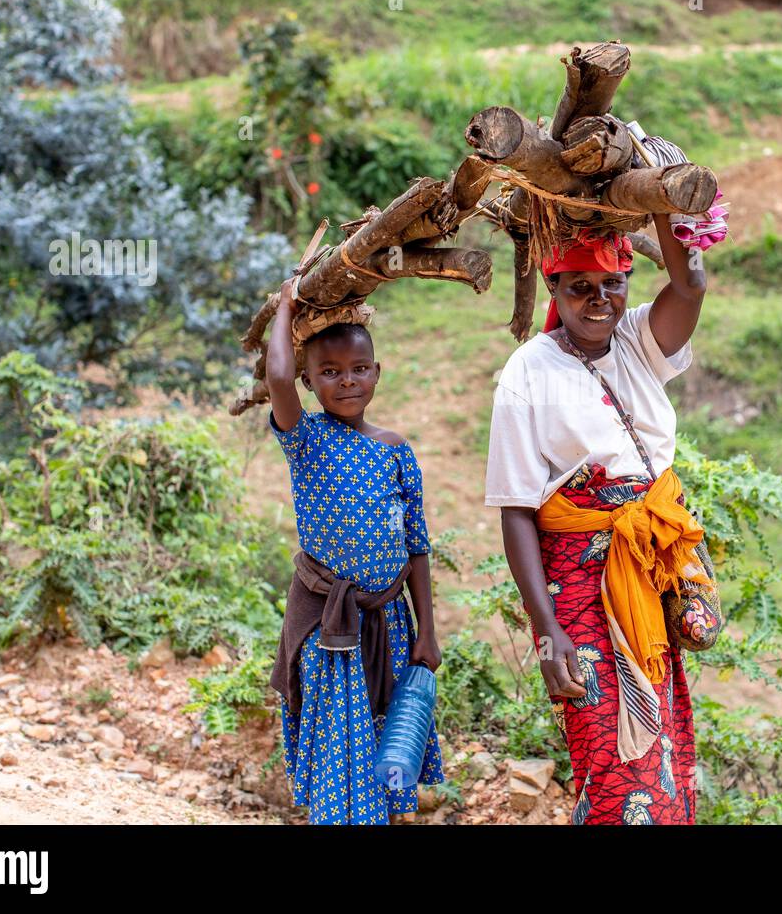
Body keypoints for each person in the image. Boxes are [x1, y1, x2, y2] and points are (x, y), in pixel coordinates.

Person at [484, 215, 710, 825]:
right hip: (577, 589)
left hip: (646, 574)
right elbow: (517, 509)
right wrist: (548, 627)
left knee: (660, 744)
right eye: (579, 285)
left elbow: (689, 287)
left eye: (612, 283)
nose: (598, 299)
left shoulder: (639, 342)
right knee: (609, 755)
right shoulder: (527, 372)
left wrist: (665, 207)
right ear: (554, 290)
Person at [265, 277, 443, 825]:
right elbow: (275, 374)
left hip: (389, 618)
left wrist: (427, 630)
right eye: (331, 372)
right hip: (328, 621)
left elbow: (416, 546)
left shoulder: (395, 450)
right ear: (311, 381)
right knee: (339, 744)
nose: (347, 381)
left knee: (388, 738)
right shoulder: (307, 439)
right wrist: (287, 305)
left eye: (359, 369)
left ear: (377, 372)